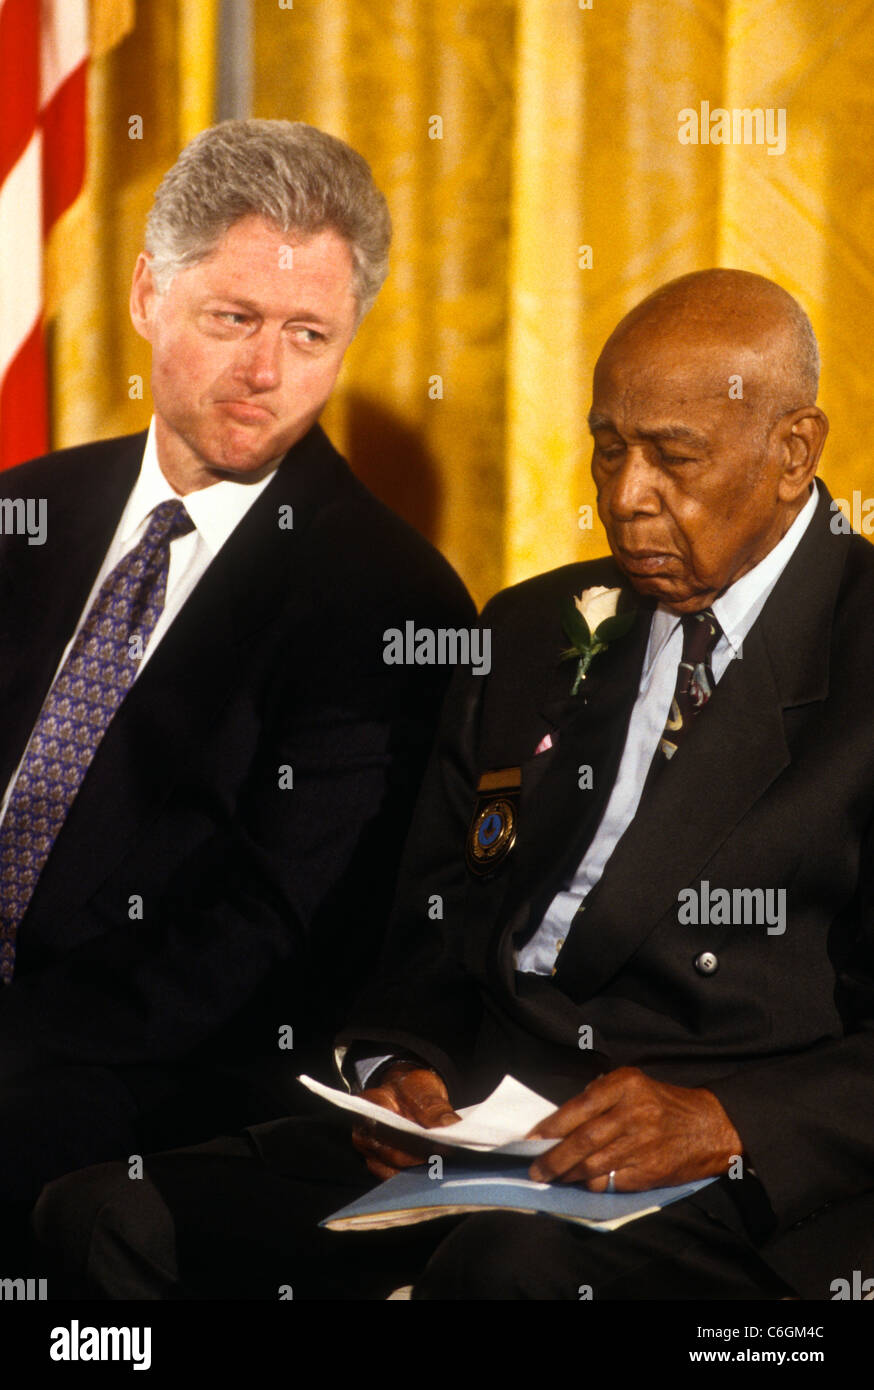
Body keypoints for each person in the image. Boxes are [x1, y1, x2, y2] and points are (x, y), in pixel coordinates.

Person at [33, 269, 874, 1301]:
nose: (623, 495)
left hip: (725, 1177)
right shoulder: (530, 632)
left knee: (504, 1277)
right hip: (486, 1141)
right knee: (107, 1216)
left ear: (794, 452)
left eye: (673, 456)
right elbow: (434, 917)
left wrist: (729, 1121)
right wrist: (400, 1062)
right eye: (609, 446)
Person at [0, 118, 473, 1265]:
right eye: (235, 319)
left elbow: (269, 937)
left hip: (168, 1084)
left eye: (310, 333)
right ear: (147, 295)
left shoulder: (389, 600)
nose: (266, 371)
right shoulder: (24, 513)